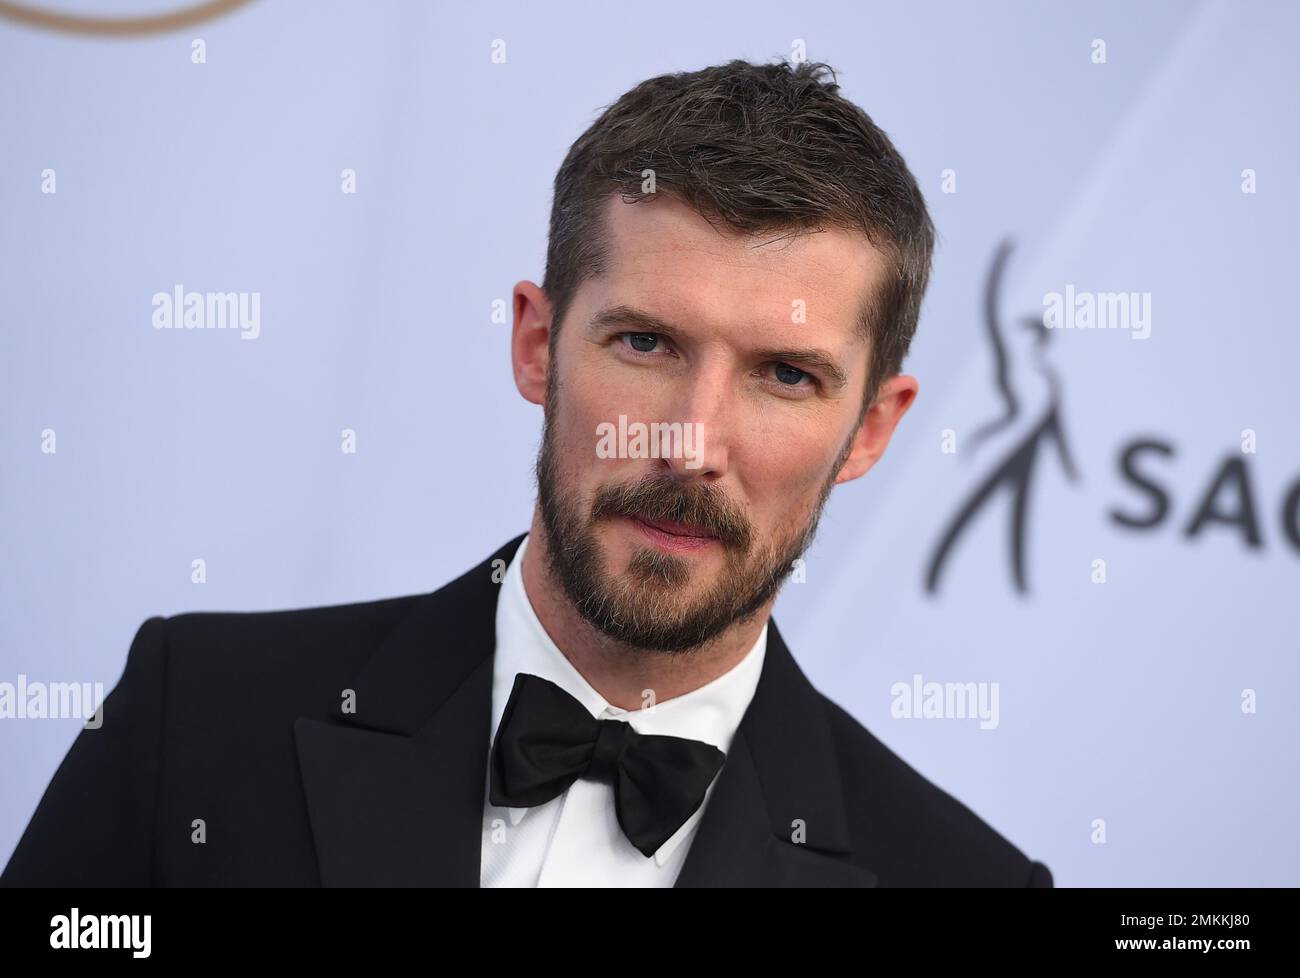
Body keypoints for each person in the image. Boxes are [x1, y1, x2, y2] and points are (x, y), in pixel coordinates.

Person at [2, 59, 1052, 888]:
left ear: (869, 430)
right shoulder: (196, 719)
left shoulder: (962, 879)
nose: (690, 444)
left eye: (784, 375)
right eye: (644, 343)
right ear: (537, 345)